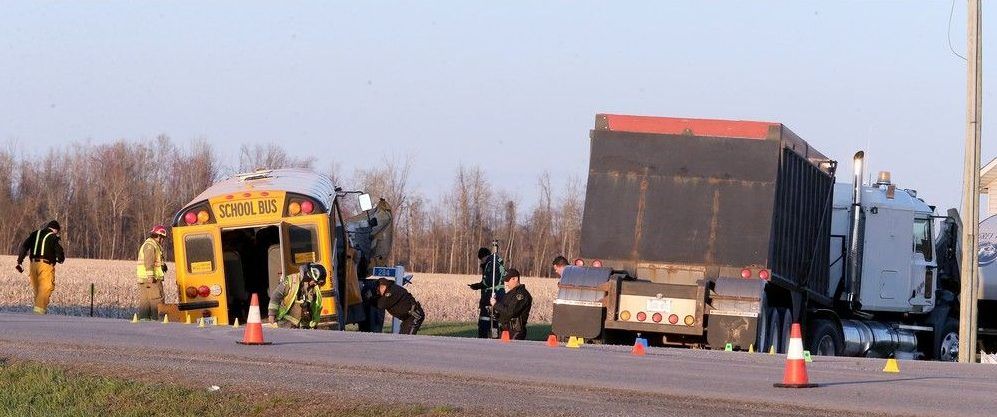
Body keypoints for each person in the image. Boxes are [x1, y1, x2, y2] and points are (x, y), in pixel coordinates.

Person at [15, 220, 65, 315]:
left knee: (38, 291)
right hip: (45, 265)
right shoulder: (52, 236)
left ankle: (40, 312)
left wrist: (20, 262)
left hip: (33, 265)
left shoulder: (35, 234)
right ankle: (38, 315)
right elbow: (59, 251)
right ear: (55, 230)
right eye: (58, 232)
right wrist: (60, 259)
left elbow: (24, 247)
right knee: (46, 288)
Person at [267, 263, 327, 329]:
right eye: (314, 281)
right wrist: (271, 314)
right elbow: (276, 296)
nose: (315, 284)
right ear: (308, 276)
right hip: (286, 322)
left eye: (317, 283)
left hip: (304, 325)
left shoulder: (315, 289)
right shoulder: (291, 280)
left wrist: (314, 324)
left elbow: (317, 308)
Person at [468, 247, 505, 338]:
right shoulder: (497, 262)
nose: (481, 262)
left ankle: (483, 341)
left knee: (485, 321)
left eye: (481, 260)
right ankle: (495, 337)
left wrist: (477, 286)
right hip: (500, 295)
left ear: (483, 257)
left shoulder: (490, 264)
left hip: (490, 297)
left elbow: (488, 282)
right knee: (496, 321)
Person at [135, 225, 168, 320]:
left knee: (146, 302)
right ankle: (157, 320)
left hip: (144, 279)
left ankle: (144, 321)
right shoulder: (151, 245)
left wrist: (162, 266)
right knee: (157, 300)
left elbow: (154, 262)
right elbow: (148, 261)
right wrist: (151, 276)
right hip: (152, 280)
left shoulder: (149, 245)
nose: (163, 240)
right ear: (158, 236)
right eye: (162, 238)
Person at [491, 268, 533, 340]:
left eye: (508, 280)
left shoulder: (521, 295)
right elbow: (503, 309)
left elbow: (511, 312)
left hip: (515, 332)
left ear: (515, 279)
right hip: (505, 330)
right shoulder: (510, 294)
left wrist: (495, 304)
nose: (506, 284)